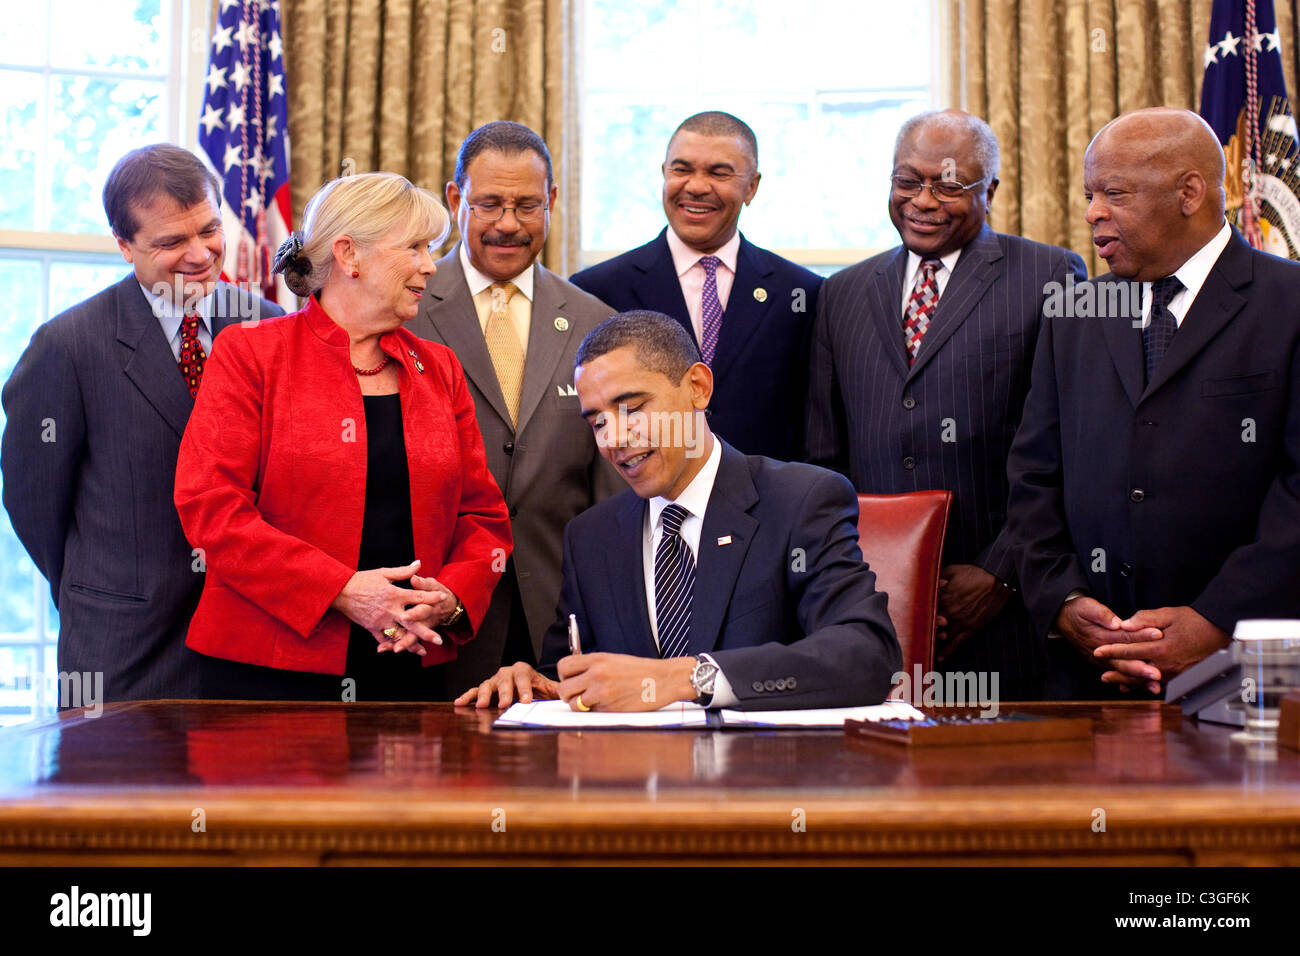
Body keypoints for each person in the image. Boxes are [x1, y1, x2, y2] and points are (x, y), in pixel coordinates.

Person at [174, 172, 513, 701]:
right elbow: (211, 508)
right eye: (416, 247)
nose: (430, 265)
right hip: (268, 671)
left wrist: (452, 597)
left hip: (411, 663)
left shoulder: (440, 368)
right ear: (349, 255)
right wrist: (341, 591)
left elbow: (483, 515)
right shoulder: (251, 354)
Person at [456, 310, 900, 712]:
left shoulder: (801, 500)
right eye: (597, 422)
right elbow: (571, 672)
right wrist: (538, 685)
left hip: (762, 783)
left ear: (698, 388)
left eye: (631, 407)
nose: (613, 439)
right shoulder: (591, 537)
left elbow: (866, 654)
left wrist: (685, 678)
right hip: (630, 789)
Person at [1006, 107, 1300, 698]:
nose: (1092, 213)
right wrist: (1064, 600)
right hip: (1088, 675)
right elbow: (1032, 479)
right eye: (1090, 194)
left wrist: (1215, 621)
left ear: (1189, 192)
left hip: (1248, 674)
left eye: (1114, 193)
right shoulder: (1074, 313)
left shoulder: (1288, 302)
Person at [806, 109, 1087, 700]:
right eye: (907, 181)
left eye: (950, 185)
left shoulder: (1050, 274)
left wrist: (999, 574)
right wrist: (863, 575)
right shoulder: (841, 293)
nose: (924, 200)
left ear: (991, 191)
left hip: (1008, 608)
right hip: (876, 607)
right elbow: (825, 457)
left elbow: (1072, 445)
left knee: (1007, 784)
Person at [1, 144, 282, 703]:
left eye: (208, 230)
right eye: (172, 242)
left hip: (252, 641)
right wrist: (97, 587)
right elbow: (35, 505)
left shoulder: (268, 328)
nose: (201, 254)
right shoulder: (67, 345)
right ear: (125, 246)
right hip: (121, 651)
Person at [406, 121, 620, 693]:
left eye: (527, 205)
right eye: (490, 204)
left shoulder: (594, 321)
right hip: (432, 621)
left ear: (551, 202)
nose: (508, 223)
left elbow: (614, 494)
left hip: (559, 615)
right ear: (455, 200)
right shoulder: (404, 309)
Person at [570, 111, 821, 462]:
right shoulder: (597, 290)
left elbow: (813, 421)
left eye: (719, 172)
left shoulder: (800, 293)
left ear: (752, 186)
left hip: (767, 504)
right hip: (640, 501)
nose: (697, 186)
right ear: (663, 174)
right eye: (682, 169)